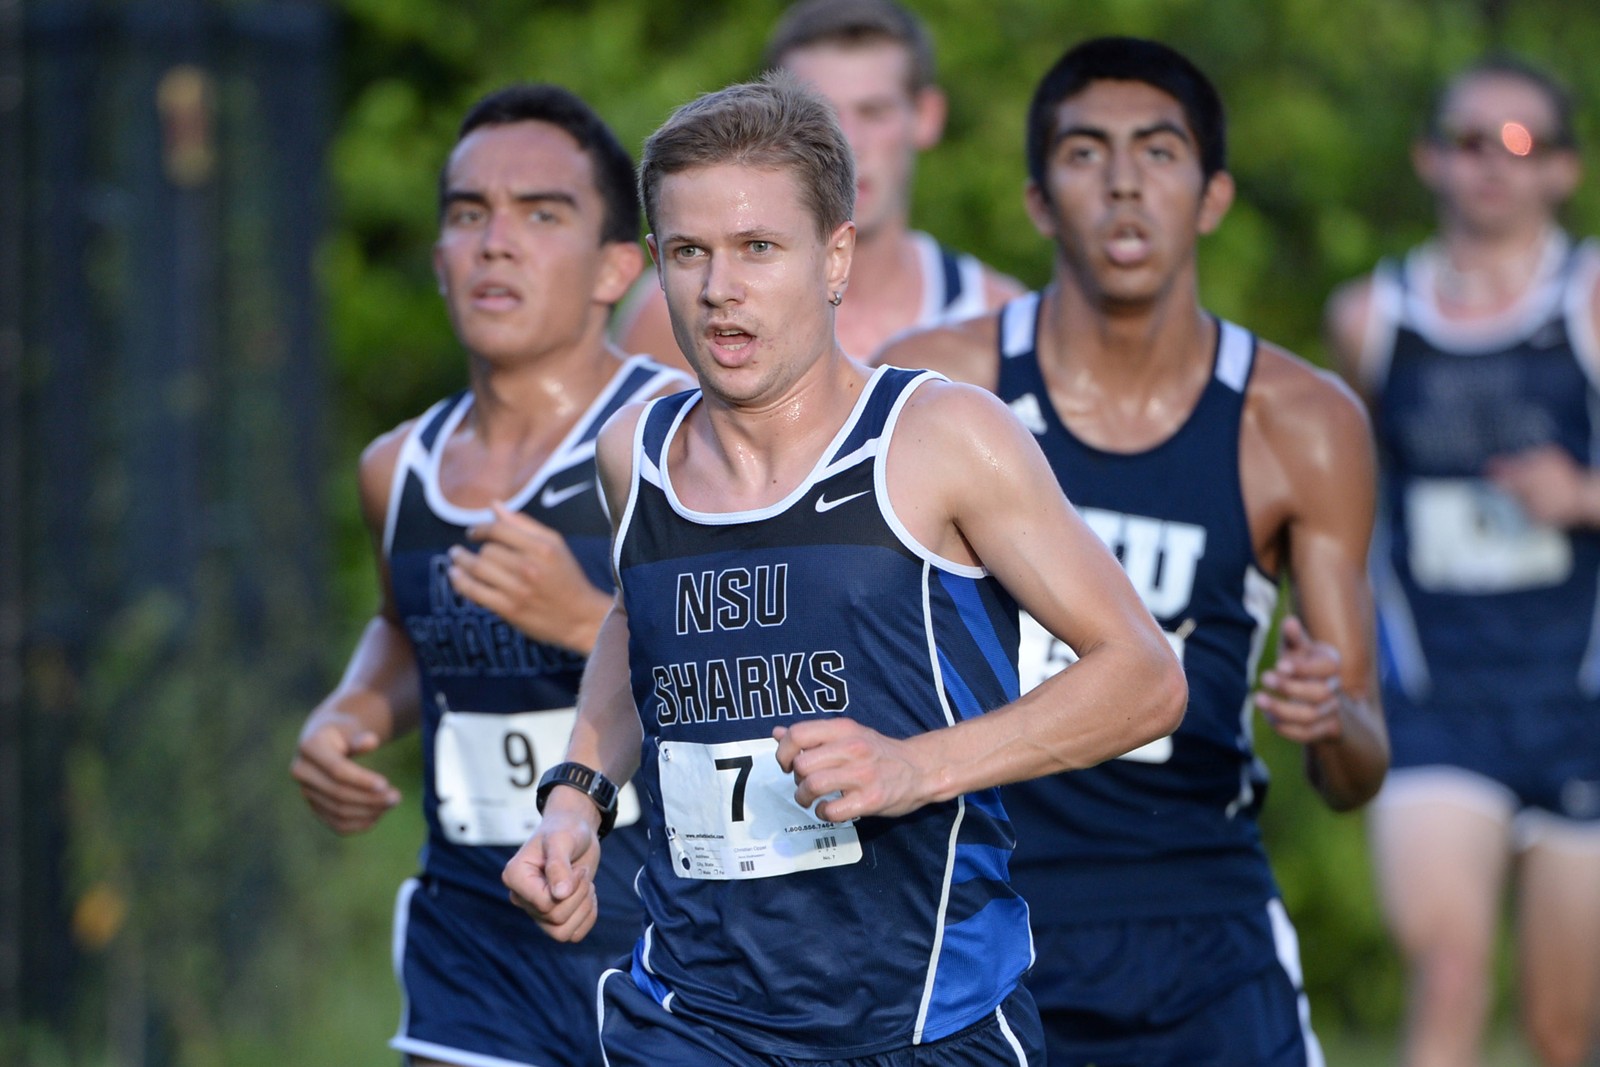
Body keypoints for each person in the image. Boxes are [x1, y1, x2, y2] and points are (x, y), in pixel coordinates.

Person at [501, 71, 1187, 1067]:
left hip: (919, 1020)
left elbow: (1144, 674)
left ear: (834, 258)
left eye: (756, 249)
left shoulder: (941, 437)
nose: (717, 288)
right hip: (688, 1015)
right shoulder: (632, 455)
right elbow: (640, 619)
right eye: (687, 252)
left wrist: (917, 765)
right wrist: (576, 799)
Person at [877, 36, 1389, 1067]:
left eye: (1158, 152)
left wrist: (1329, 713)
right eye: (1085, 152)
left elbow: (1358, 769)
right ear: (1034, 199)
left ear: (1211, 195)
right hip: (978, 896)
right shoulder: (929, 394)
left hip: (1201, 905)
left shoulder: (1301, 422)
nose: (1121, 184)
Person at [289, 84, 687, 1067]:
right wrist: (348, 712)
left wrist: (586, 620)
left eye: (541, 214)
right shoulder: (397, 467)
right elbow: (402, 626)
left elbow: (767, 670)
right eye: (469, 214)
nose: (494, 241)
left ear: (614, 269)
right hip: (475, 939)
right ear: (438, 261)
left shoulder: (679, 440)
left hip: (673, 936)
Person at [1325, 56, 1600, 1067]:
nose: (1492, 163)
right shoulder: (1372, 317)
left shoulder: (1588, 300)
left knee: (1560, 1029)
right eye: (1468, 140)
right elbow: (1338, 497)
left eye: (1519, 141)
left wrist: (1577, 496)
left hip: (1577, 696)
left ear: (1561, 170)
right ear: (1429, 160)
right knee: (1444, 966)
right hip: (1435, 692)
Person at [612, 0, 1022, 364]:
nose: (847, 141)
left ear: (927, 116)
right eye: (818, 115)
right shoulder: (677, 310)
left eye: (873, 111)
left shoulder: (996, 316)